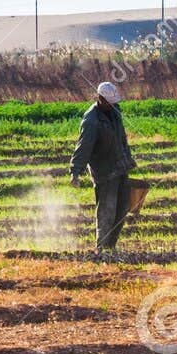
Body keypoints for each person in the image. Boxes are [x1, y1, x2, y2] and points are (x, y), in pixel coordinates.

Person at [69, 81, 136, 253]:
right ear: (99, 98)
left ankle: (111, 247)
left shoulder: (115, 112)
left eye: (114, 103)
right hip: (105, 172)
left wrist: (128, 160)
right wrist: (75, 171)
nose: (112, 106)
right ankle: (102, 249)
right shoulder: (91, 120)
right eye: (109, 103)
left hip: (120, 167)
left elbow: (122, 139)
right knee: (107, 211)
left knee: (122, 210)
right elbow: (83, 146)